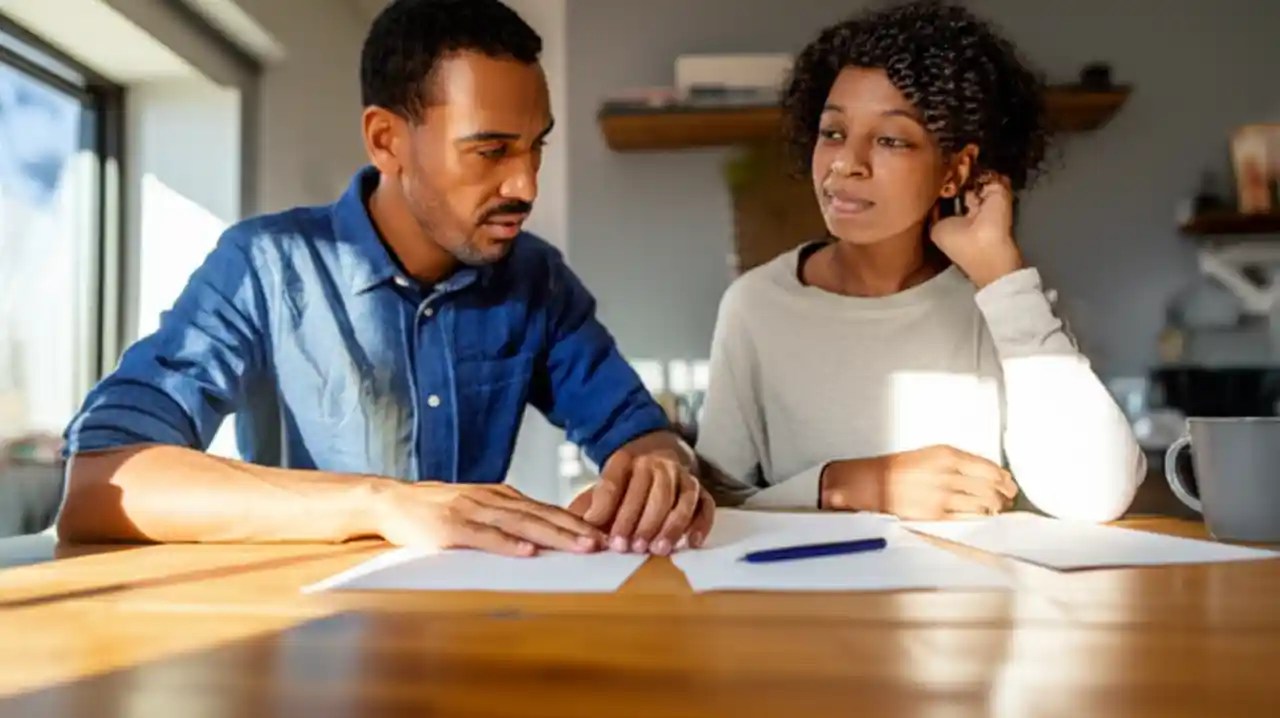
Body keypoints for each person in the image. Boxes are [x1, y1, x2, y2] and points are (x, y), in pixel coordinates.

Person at [57, 0, 713, 556]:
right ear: (385, 140)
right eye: (490, 151)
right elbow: (101, 485)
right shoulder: (263, 264)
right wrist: (380, 504)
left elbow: (639, 431)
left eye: (535, 145)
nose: (526, 184)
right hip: (297, 651)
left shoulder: (536, 279)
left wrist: (657, 465)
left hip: (468, 639)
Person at [695, 0, 1144, 521]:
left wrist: (1003, 279)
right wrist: (844, 484)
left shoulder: (998, 302)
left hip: (974, 597)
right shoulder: (755, 307)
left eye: (889, 139)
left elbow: (1097, 495)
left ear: (955, 172)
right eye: (833, 132)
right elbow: (716, 505)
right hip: (811, 601)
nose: (846, 163)